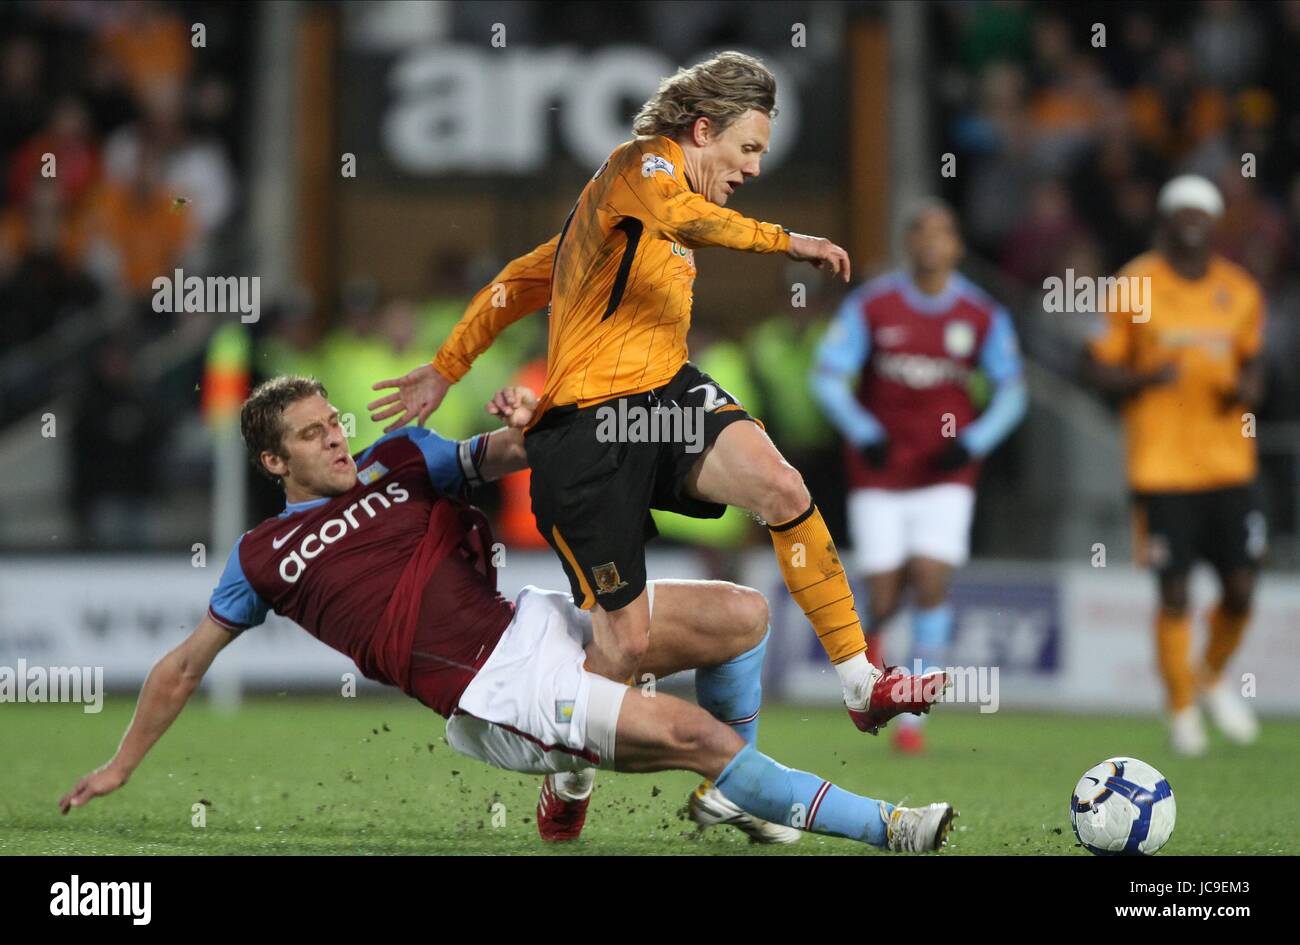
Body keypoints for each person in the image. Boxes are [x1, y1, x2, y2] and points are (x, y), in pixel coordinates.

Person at [59, 375, 956, 852]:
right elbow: (184, 663)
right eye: (311, 433)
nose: (336, 437)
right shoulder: (262, 556)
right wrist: (119, 763)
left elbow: (508, 452)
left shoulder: (399, 458)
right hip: (499, 692)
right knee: (703, 737)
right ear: (271, 462)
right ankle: (889, 827)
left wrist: (542, 415)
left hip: (529, 620)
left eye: (333, 420)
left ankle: (723, 799)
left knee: (744, 614)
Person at [368, 51, 947, 733]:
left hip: (668, 398)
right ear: (703, 131)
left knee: (784, 489)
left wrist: (446, 364)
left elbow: (522, 280)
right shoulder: (641, 168)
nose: (755, 167)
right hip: (588, 430)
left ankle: (859, 682)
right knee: (627, 645)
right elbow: (632, 238)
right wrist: (790, 242)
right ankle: (569, 777)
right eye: (748, 147)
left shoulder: (630, 213)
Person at [811, 199, 1027, 753]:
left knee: (931, 579)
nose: (931, 243)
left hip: (944, 474)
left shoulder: (981, 316)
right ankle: (874, 694)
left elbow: (1013, 391)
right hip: (880, 474)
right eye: (921, 233)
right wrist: (864, 432)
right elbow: (828, 378)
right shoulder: (873, 307)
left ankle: (913, 721)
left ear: (957, 246)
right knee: (881, 599)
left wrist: (973, 442)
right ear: (909, 244)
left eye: (942, 233)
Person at [1086, 174, 1265, 756]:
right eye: (1181, 210)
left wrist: (1248, 391)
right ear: (1165, 219)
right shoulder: (1134, 282)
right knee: (1175, 593)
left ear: (1213, 224)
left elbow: (1256, 367)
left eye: (1202, 212)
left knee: (1240, 589)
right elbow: (1098, 368)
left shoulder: (1239, 291)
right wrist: (1143, 378)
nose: (1192, 220)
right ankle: (1182, 711)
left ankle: (1209, 676)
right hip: (1161, 468)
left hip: (1228, 464)